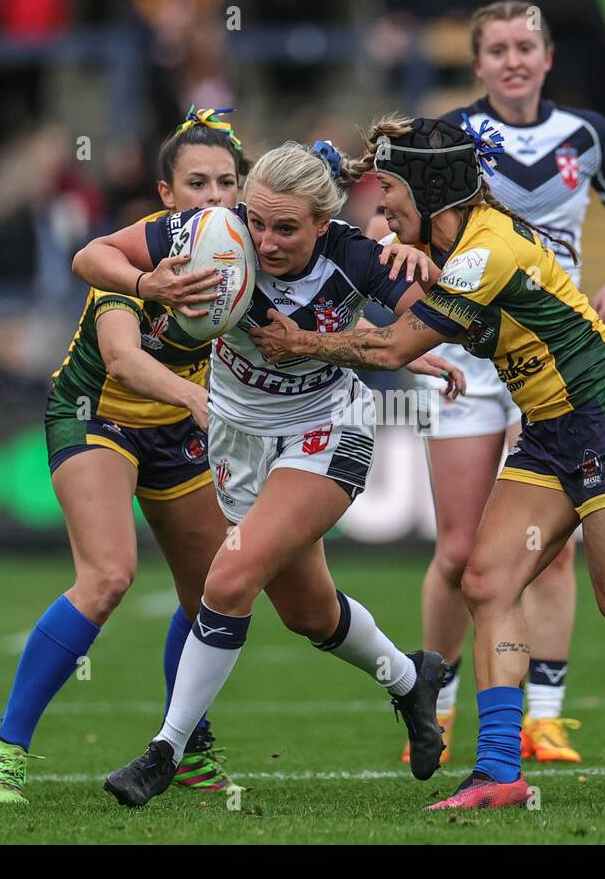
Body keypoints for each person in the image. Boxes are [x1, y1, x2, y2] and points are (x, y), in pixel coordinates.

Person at [251, 115, 605, 810]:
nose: (382, 210)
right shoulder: (458, 237)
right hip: (555, 428)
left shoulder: (482, 254)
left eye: (393, 194)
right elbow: (407, 272)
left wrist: (305, 343)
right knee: (488, 580)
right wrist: (378, 215)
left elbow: (393, 349)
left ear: (433, 195)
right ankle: (499, 772)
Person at [70, 138, 466, 808]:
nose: (267, 240)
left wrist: (323, 341)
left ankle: (165, 750)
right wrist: (147, 283)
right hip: (238, 435)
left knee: (228, 577)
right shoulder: (213, 232)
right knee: (309, 613)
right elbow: (90, 255)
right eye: (258, 221)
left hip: (327, 430)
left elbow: (435, 322)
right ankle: (410, 679)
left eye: (287, 228)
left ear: (323, 224)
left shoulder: (358, 256)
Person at [399, 0, 605, 767]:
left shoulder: (587, 134)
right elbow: (397, 223)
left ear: (548, 58)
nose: (514, 59)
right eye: (499, 49)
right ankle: (437, 708)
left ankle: (543, 715)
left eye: (526, 46)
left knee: (550, 548)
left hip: (554, 358)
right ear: (477, 63)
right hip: (466, 352)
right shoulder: (446, 138)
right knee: (456, 550)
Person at [0, 108, 248, 803]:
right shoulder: (134, 259)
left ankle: (184, 745)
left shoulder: (248, 255)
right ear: (166, 196)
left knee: (212, 593)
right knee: (109, 576)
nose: (212, 198)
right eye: (196, 184)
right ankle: (2, 747)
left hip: (176, 431)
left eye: (225, 183)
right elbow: (122, 360)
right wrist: (196, 398)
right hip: (97, 416)